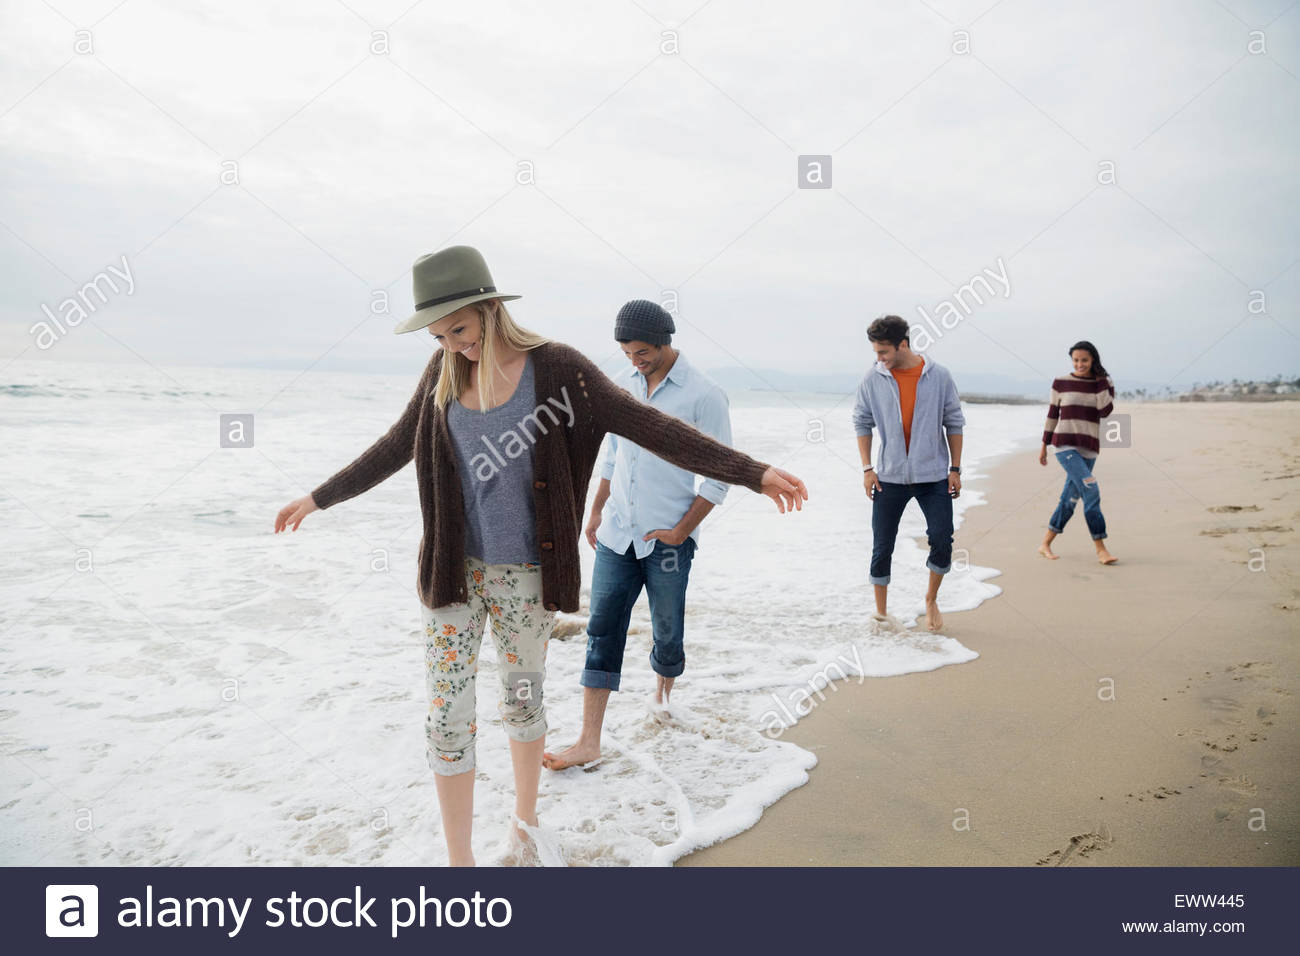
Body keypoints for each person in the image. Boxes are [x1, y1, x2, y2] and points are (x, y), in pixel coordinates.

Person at [273, 246, 807, 866]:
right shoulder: (443, 372)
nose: (453, 345)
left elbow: (651, 427)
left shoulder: (559, 372)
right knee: (447, 717)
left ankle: (523, 829)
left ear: (491, 309)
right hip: (453, 574)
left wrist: (751, 472)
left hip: (526, 578)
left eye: (461, 330)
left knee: (522, 702)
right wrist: (318, 498)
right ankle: (459, 863)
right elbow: (396, 445)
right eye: (440, 334)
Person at [542, 300, 731, 772]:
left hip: (668, 540)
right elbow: (613, 455)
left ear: (665, 341)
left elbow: (720, 474)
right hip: (616, 535)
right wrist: (597, 509)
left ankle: (663, 697)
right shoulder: (621, 387)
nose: (634, 360)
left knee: (667, 630)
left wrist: (682, 531)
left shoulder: (704, 395)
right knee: (601, 629)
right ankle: (589, 740)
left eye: (642, 351)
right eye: (627, 352)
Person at [851, 315, 965, 632]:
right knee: (882, 545)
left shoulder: (938, 376)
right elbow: (862, 422)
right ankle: (882, 614)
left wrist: (955, 468)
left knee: (942, 539)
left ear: (903, 344)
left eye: (884, 352)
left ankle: (930, 599)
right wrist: (867, 469)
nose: (879, 359)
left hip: (934, 477)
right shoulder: (872, 379)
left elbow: (954, 423)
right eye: (876, 352)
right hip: (888, 477)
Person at [1038, 340, 1118, 565]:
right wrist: (1044, 444)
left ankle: (1045, 543)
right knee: (1091, 490)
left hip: (1089, 449)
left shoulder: (1103, 383)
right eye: (1076, 360)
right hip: (1064, 445)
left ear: (1093, 360)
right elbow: (1053, 414)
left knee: (1070, 500)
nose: (1079, 364)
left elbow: (1105, 411)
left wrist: (1101, 381)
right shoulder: (1061, 383)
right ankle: (1101, 548)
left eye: (1084, 360)